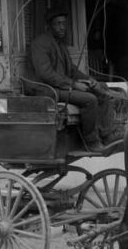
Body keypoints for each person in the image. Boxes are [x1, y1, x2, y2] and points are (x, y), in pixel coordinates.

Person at [29, 8, 117, 152]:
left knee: (102, 90)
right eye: (58, 24)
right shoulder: (40, 44)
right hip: (47, 90)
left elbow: (71, 70)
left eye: (64, 23)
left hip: (61, 86)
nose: (62, 27)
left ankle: (106, 134)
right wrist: (74, 84)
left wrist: (89, 79)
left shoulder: (60, 44)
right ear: (49, 26)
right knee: (90, 99)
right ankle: (91, 141)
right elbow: (45, 74)